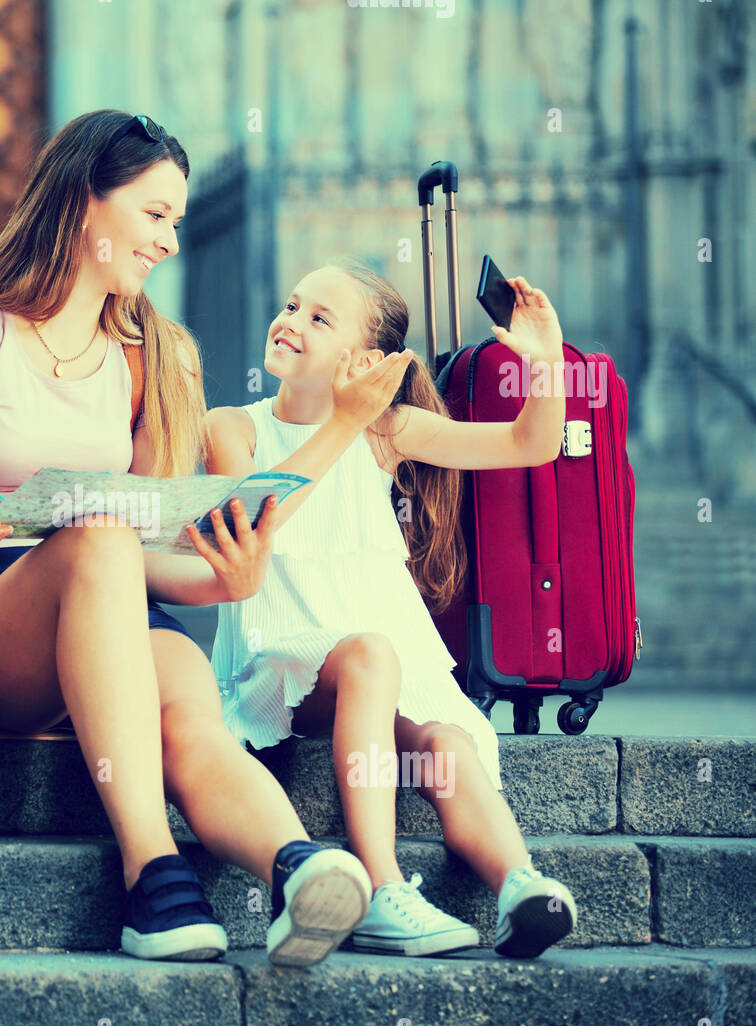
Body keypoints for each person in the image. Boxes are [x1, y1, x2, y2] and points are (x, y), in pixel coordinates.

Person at [0, 112, 395, 967]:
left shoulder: (146, 355)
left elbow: (152, 552)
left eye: (177, 223)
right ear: (87, 202)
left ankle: (297, 867)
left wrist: (223, 581)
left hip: (112, 612)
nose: (168, 242)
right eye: (154, 215)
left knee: (187, 691)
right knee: (102, 537)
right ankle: (150, 870)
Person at [206, 258, 579, 959]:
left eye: (319, 318)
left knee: (446, 743)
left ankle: (519, 884)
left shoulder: (388, 429)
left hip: (384, 663)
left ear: (367, 360)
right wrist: (345, 420)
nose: (290, 321)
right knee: (372, 654)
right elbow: (259, 517)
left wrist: (546, 359)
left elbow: (531, 444)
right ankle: (379, 890)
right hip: (284, 661)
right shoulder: (234, 427)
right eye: (292, 305)